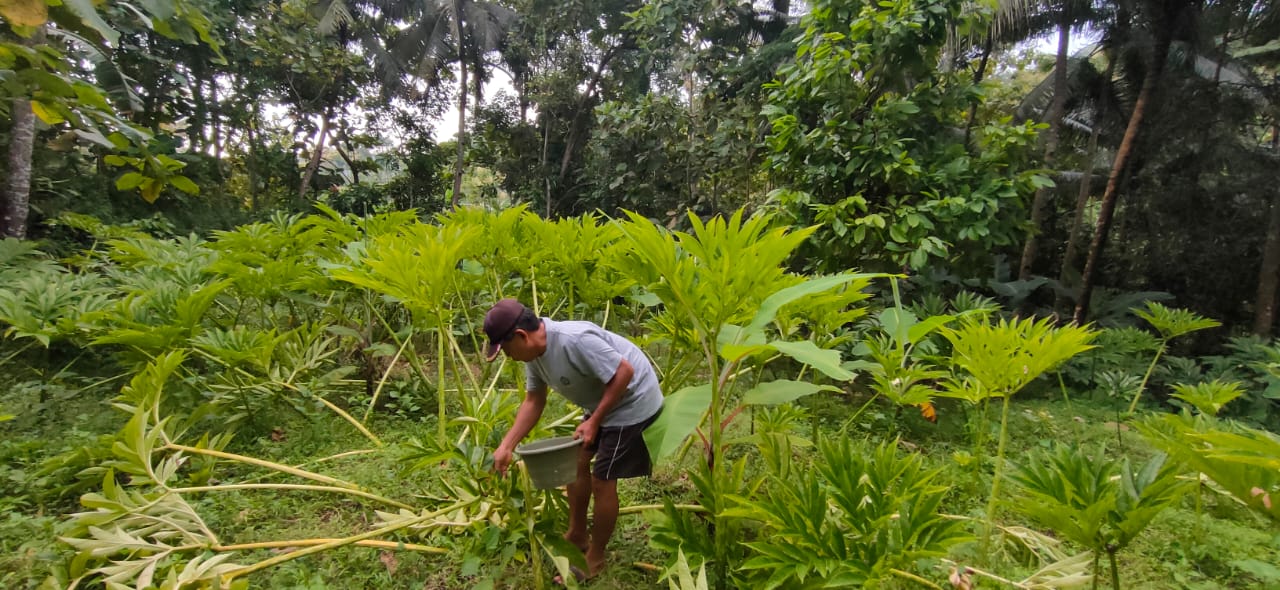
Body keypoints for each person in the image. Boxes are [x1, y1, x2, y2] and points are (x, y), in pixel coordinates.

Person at [483, 298, 663, 582]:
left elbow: (625, 372)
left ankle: (596, 557)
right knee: (575, 462)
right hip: (602, 403)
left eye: (505, 349)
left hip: (632, 402)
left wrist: (594, 420)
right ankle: (577, 534)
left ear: (521, 336)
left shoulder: (573, 340)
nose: (508, 356)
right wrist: (506, 446)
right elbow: (534, 400)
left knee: (602, 479)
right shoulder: (534, 354)